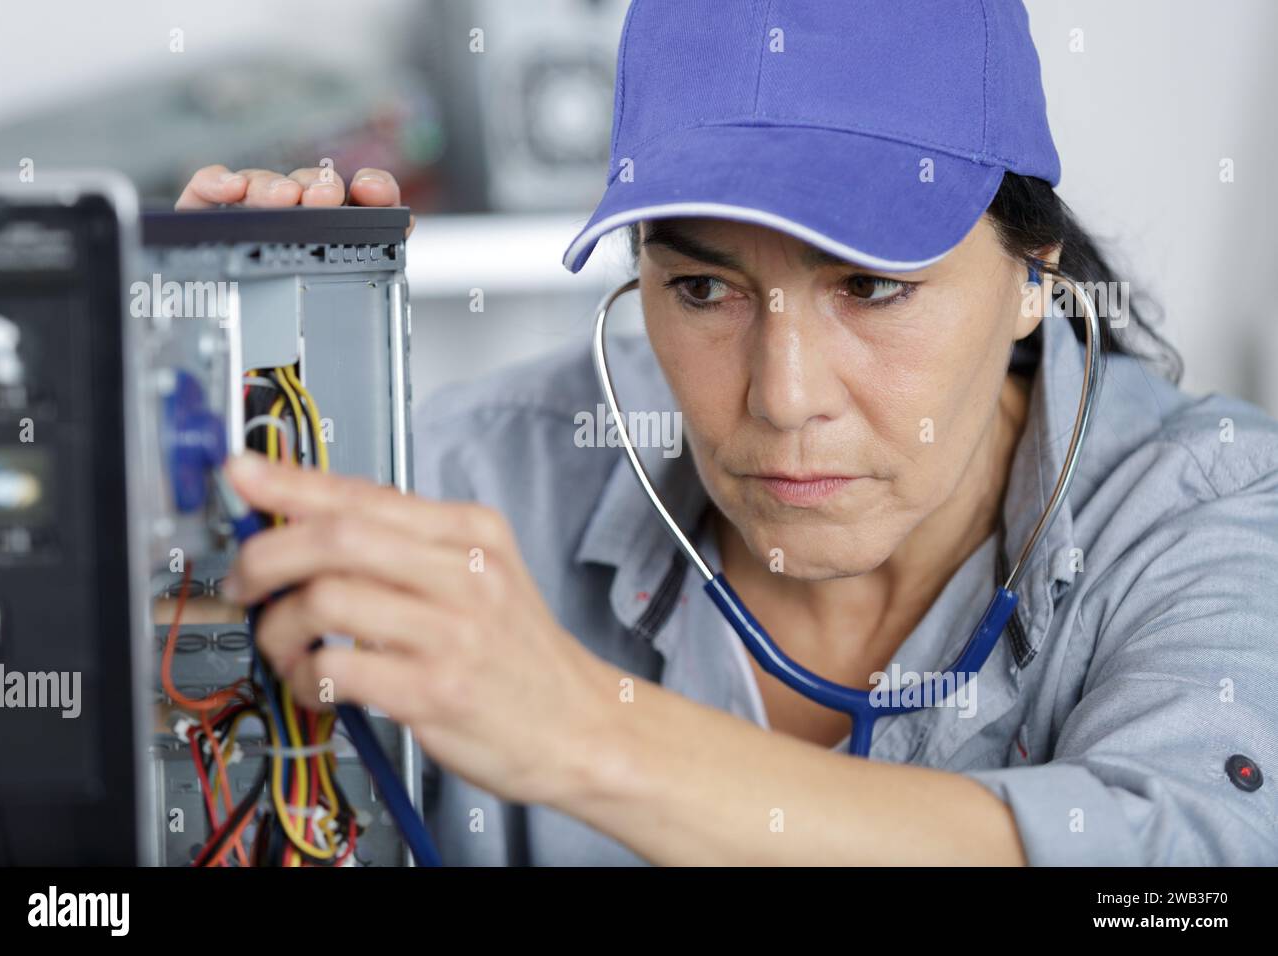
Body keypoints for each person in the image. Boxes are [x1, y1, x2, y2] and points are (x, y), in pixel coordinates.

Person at [180, 0, 1278, 865]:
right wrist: (222, 397)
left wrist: (585, 732)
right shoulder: (462, 479)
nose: (784, 396)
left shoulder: (1212, 507)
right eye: (704, 287)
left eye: (872, 284)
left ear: (1032, 277)